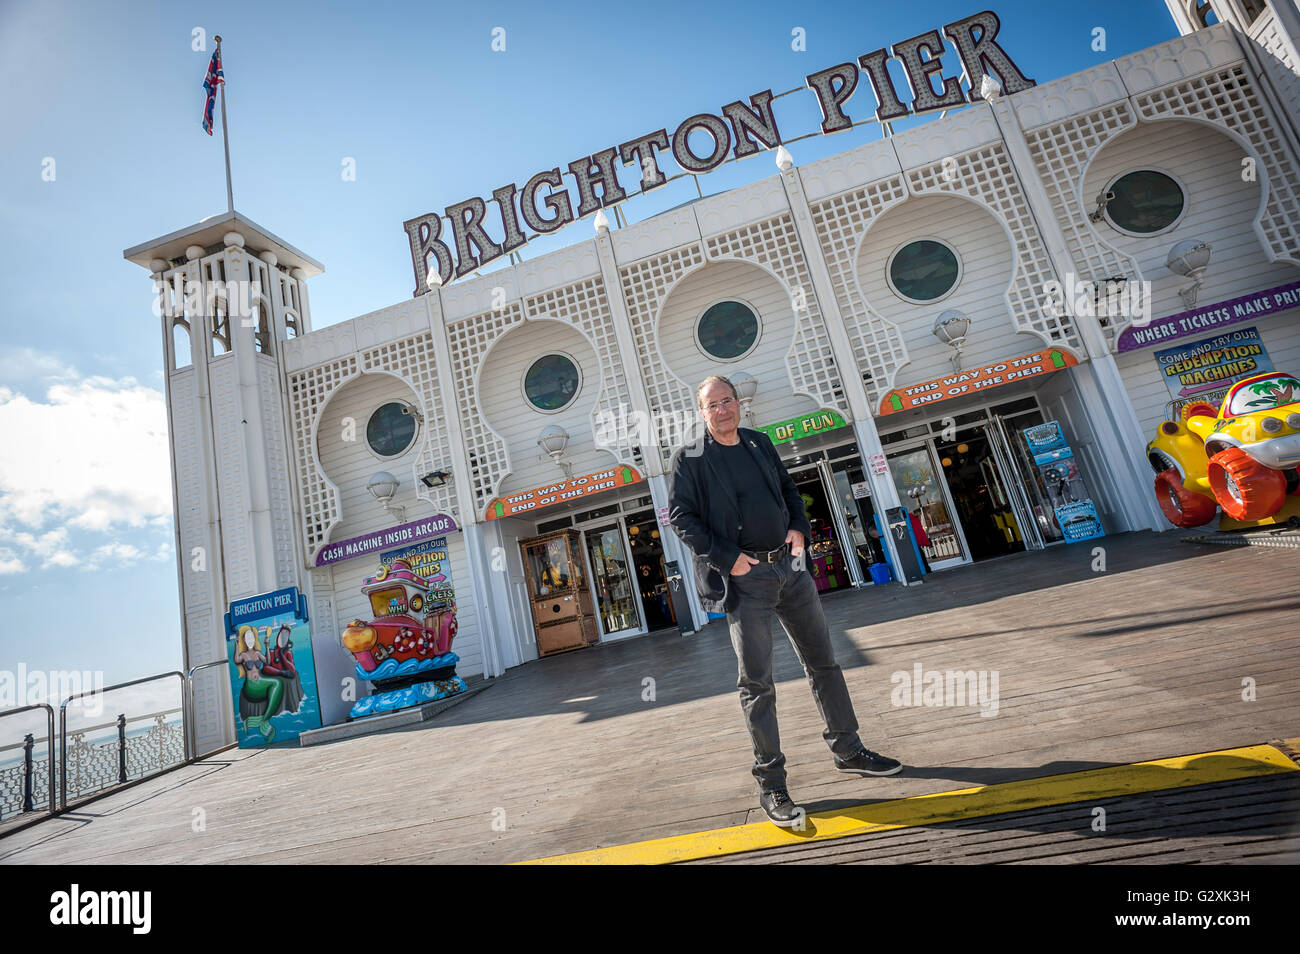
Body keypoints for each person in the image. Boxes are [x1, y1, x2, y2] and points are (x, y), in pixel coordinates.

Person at [668, 375, 902, 827]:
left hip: (790, 570)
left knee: (825, 663)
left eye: (728, 401)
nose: (723, 410)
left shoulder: (759, 443)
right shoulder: (690, 459)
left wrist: (800, 529)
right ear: (701, 413)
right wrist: (728, 558)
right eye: (712, 405)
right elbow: (681, 517)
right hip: (745, 578)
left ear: (740, 403)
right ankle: (772, 785)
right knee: (756, 683)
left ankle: (848, 749)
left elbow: (790, 492)